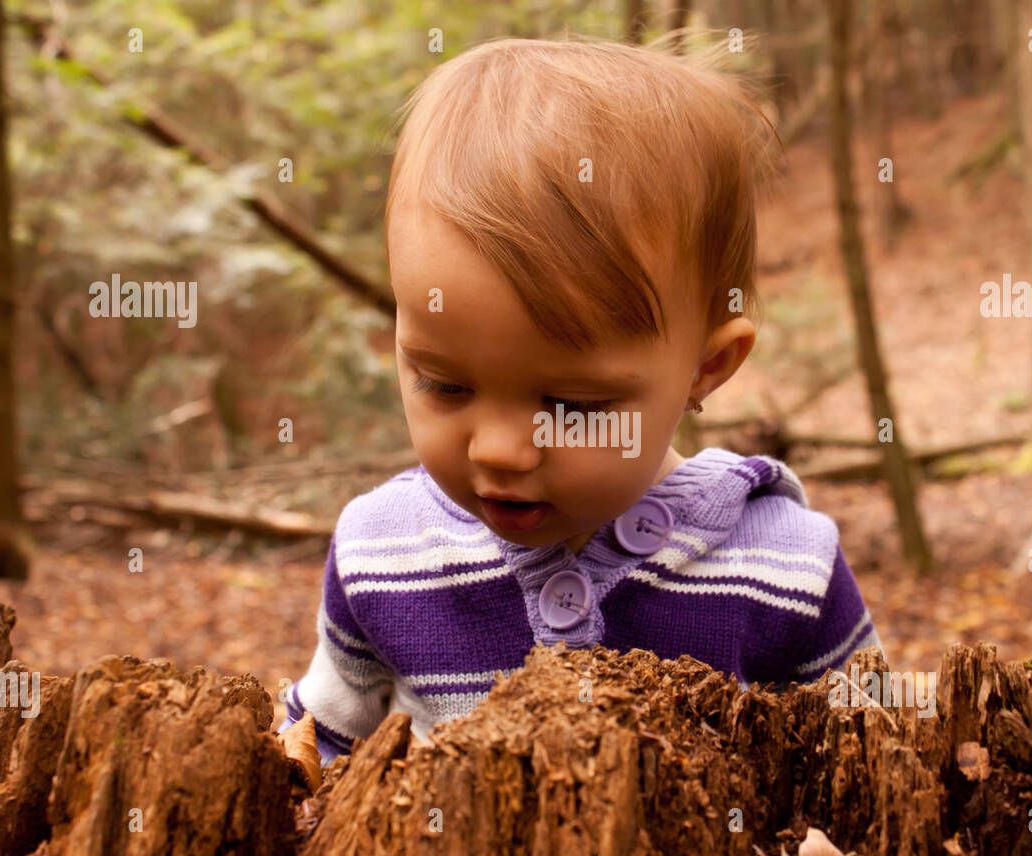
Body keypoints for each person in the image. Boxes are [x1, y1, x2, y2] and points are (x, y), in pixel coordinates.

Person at [279, 34, 880, 763]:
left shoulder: (788, 568)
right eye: (444, 384)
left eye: (573, 404)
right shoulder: (381, 552)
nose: (497, 449)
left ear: (706, 367)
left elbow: (874, 772)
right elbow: (316, 755)